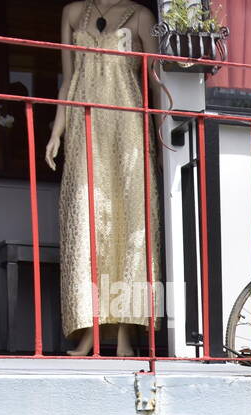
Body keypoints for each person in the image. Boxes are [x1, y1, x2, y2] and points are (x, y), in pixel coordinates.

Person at [45, 1, 164, 357]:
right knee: (87, 223)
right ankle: (90, 332)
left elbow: (155, 80)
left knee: (132, 229)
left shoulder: (142, 16)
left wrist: (160, 130)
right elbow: (68, 81)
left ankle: (127, 337)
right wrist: (56, 133)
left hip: (128, 127)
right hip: (85, 127)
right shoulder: (70, 13)